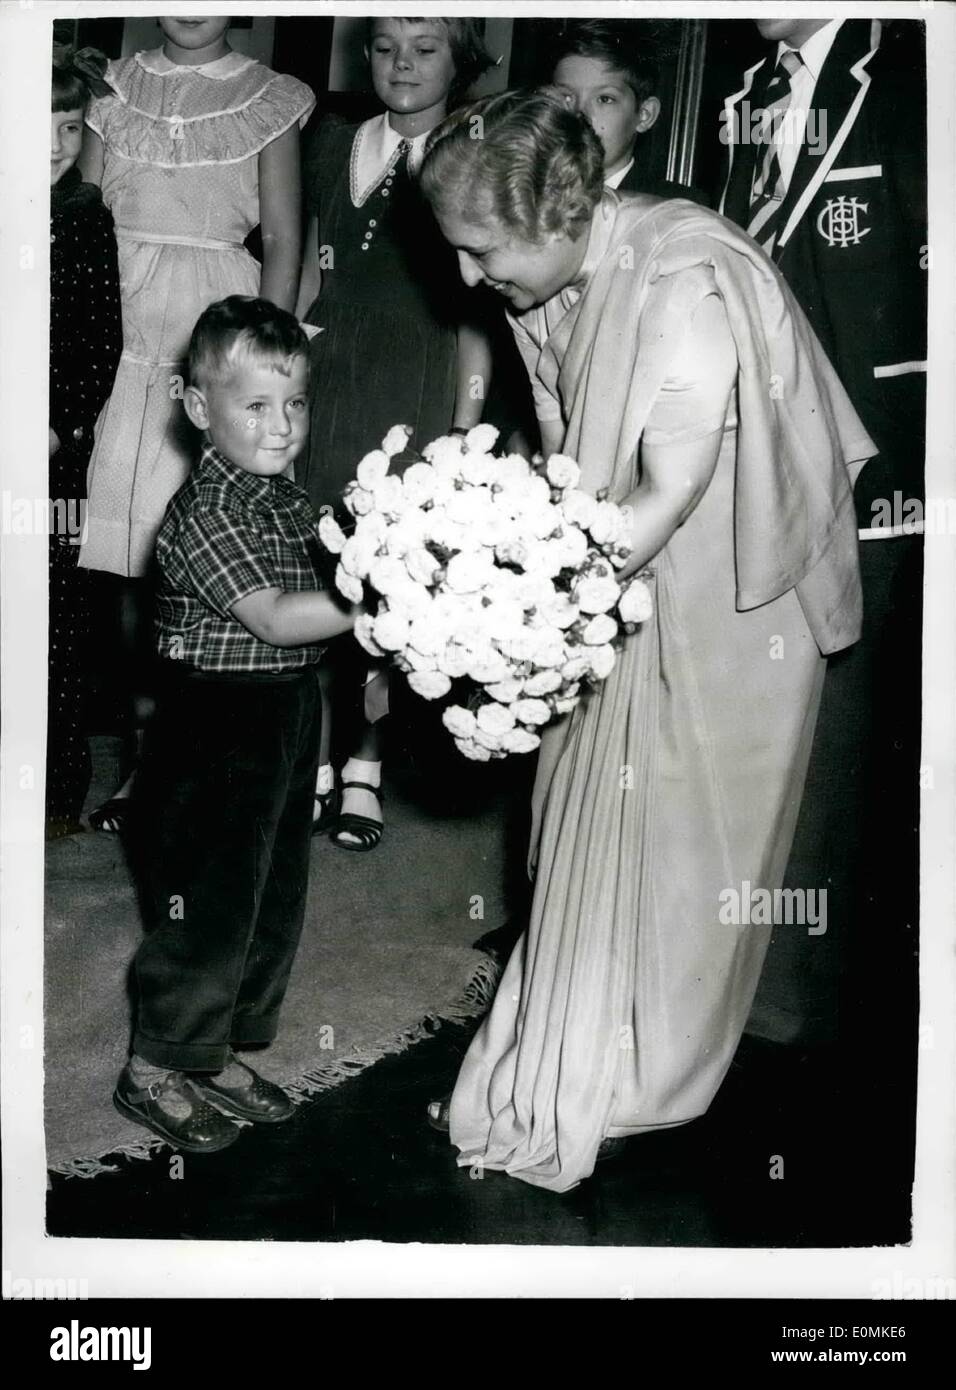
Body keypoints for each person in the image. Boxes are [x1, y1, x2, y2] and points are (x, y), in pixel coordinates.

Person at [418, 89, 873, 1192]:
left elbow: (663, 494)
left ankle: (635, 1081)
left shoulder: (683, 278)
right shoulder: (551, 275)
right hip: (619, 577)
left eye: (481, 252)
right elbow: (577, 467)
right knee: (577, 805)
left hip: (730, 600)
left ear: (556, 214)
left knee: (681, 850)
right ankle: (556, 1055)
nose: (469, 280)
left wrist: (506, 605)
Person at [719, 18, 926, 1049]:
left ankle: (803, 995)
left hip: (888, 462)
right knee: (769, 713)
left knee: (851, 730)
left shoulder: (913, 69)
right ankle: (750, 975)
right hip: (763, 449)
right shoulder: (748, 84)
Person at [114, 297, 360, 1154]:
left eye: (294, 402)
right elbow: (278, 621)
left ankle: (214, 1049)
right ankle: (155, 1063)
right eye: (256, 405)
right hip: (214, 722)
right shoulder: (210, 513)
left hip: (286, 713)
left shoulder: (282, 499)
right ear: (196, 407)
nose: (282, 424)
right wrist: (377, 596)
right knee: (209, 904)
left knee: (271, 892)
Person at [77, 14, 315, 833]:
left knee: (202, 545)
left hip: (213, 326)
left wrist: (258, 374)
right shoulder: (113, 83)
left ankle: (198, 751)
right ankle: (145, 755)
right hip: (122, 327)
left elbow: (284, 238)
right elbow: (80, 213)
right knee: (125, 559)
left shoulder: (271, 97)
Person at [294, 15, 493, 851]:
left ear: (462, 60)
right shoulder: (332, 143)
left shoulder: (474, 151)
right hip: (330, 382)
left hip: (416, 387)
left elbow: (482, 310)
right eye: (384, 48)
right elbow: (309, 269)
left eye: (426, 49)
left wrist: (464, 426)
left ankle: (365, 765)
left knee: (384, 589)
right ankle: (308, 759)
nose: (402, 65)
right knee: (310, 566)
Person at [46, 44, 123, 840]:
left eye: (71, 125)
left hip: (54, 456)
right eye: (39, 127)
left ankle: (58, 788)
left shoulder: (84, 217)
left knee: (56, 622)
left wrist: (59, 424)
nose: (60, 143)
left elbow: (100, 344)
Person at [550, 18, 709, 201]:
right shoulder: (526, 195)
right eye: (566, 97)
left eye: (604, 99)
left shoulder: (676, 207)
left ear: (644, 115)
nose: (580, 115)